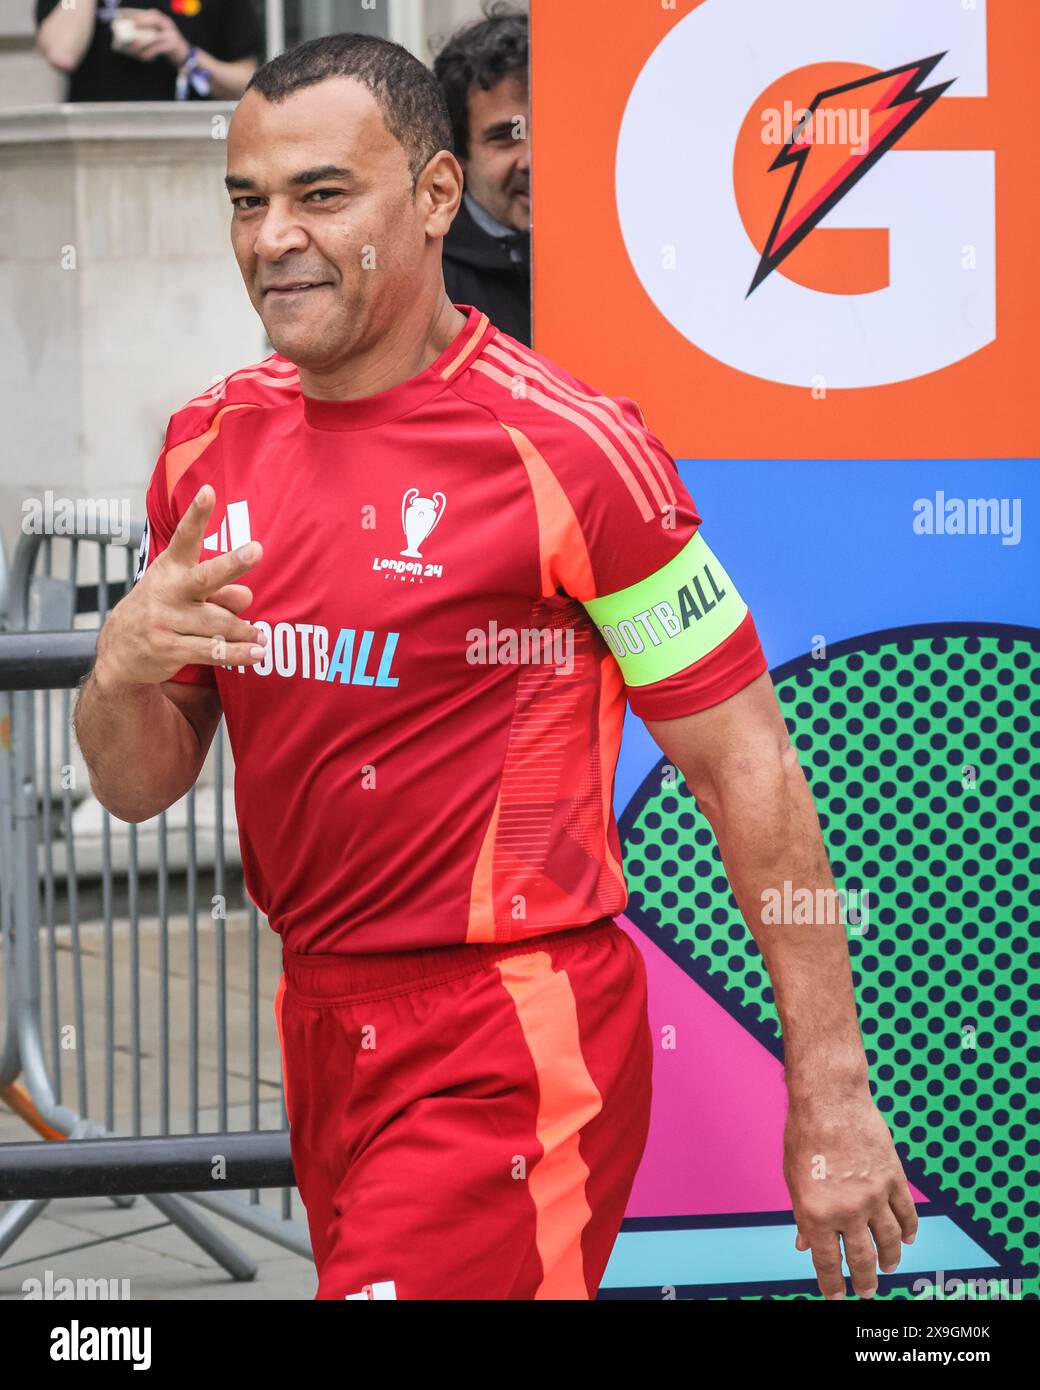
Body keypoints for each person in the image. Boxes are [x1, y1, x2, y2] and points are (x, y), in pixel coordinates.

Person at [73, 33, 917, 1301]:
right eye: (247, 201)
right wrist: (118, 668)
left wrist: (833, 1093)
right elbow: (137, 788)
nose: (270, 239)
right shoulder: (206, 445)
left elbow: (746, 763)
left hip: (508, 1036)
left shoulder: (572, 450)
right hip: (319, 1025)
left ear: (430, 199)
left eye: (319, 194)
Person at [433, 4, 531, 344]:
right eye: (505, 137)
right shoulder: (428, 283)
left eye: (552, 130)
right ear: (458, 157)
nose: (532, 159)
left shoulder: (624, 248)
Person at [35, 0, 262, 102]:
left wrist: (187, 56)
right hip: (96, 149)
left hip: (187, 148)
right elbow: (62, 53)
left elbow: (247, 87)